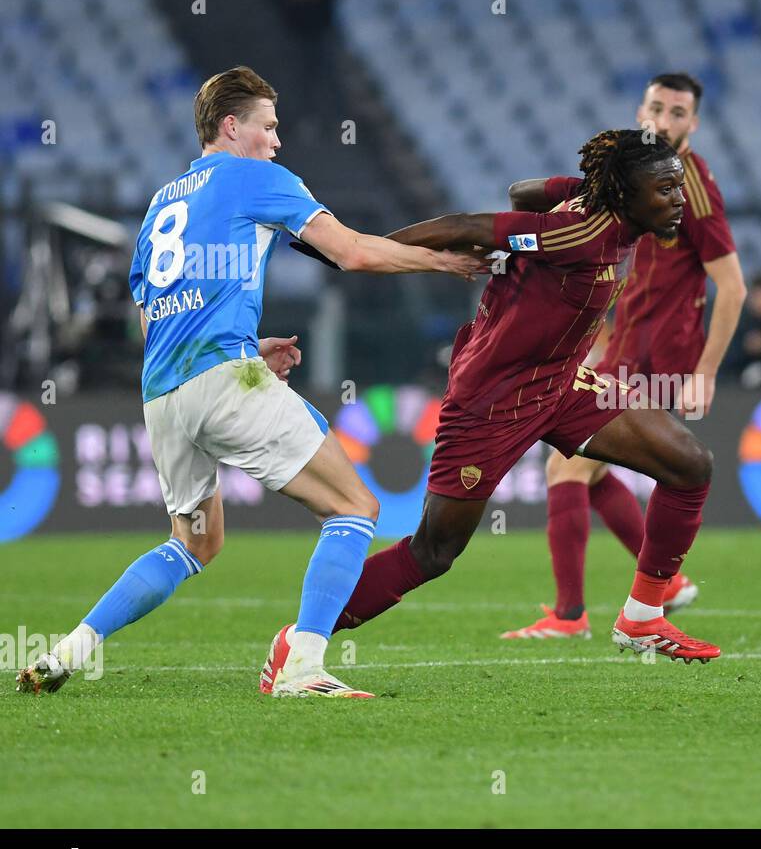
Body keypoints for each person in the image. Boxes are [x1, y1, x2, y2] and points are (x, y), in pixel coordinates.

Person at [16, 66, 484, 699]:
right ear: (232, 127)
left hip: (163, 393)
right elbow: (351, 252)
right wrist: (440, 259)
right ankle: (301, 665)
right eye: (268, 126)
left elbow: (155, 304)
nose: (277, 141)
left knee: (194, 542)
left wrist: (247, 344)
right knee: (355, 508)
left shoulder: (162, 202)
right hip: (222, 381)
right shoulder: (260, 179)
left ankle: (71, 649)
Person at [260, 129, 724, 688]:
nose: (679, 200)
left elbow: (522, 188)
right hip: (493, 397)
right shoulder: (579, 231)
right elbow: (467, 226)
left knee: (690, 464)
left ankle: (644, 616)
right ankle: (301, 642)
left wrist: (579, 191)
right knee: (434, 551)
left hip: (560, 382)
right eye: (666, 189)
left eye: (679, 187)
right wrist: (354, 249)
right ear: (629, 193)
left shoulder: (597, 202)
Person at [500, 72, 746, 640]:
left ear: (693, 124)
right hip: (628, 348)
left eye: (677, 113)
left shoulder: (694, 187)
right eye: (656, 108)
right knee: (574, 462)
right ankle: (662, 587)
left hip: (661, 356)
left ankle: (572, 616)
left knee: (569, 463)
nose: (663, 121)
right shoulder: (639, 178)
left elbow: (731, 286)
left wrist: (704, 372)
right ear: (640, 110)